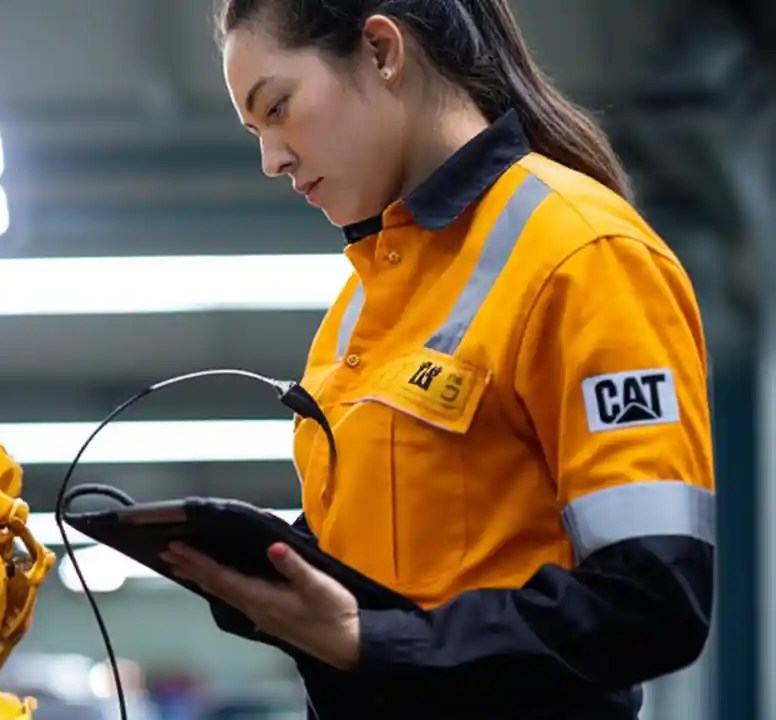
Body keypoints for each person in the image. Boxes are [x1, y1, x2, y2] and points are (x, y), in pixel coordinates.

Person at [159, 1, 715, 717]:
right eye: (256, 131)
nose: (272, 159)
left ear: (383, 51)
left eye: (279, 108)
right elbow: (409, 571)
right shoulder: (359, 313)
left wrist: (374, 641)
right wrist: (269, 573)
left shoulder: (585, 255)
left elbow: (651, 600)